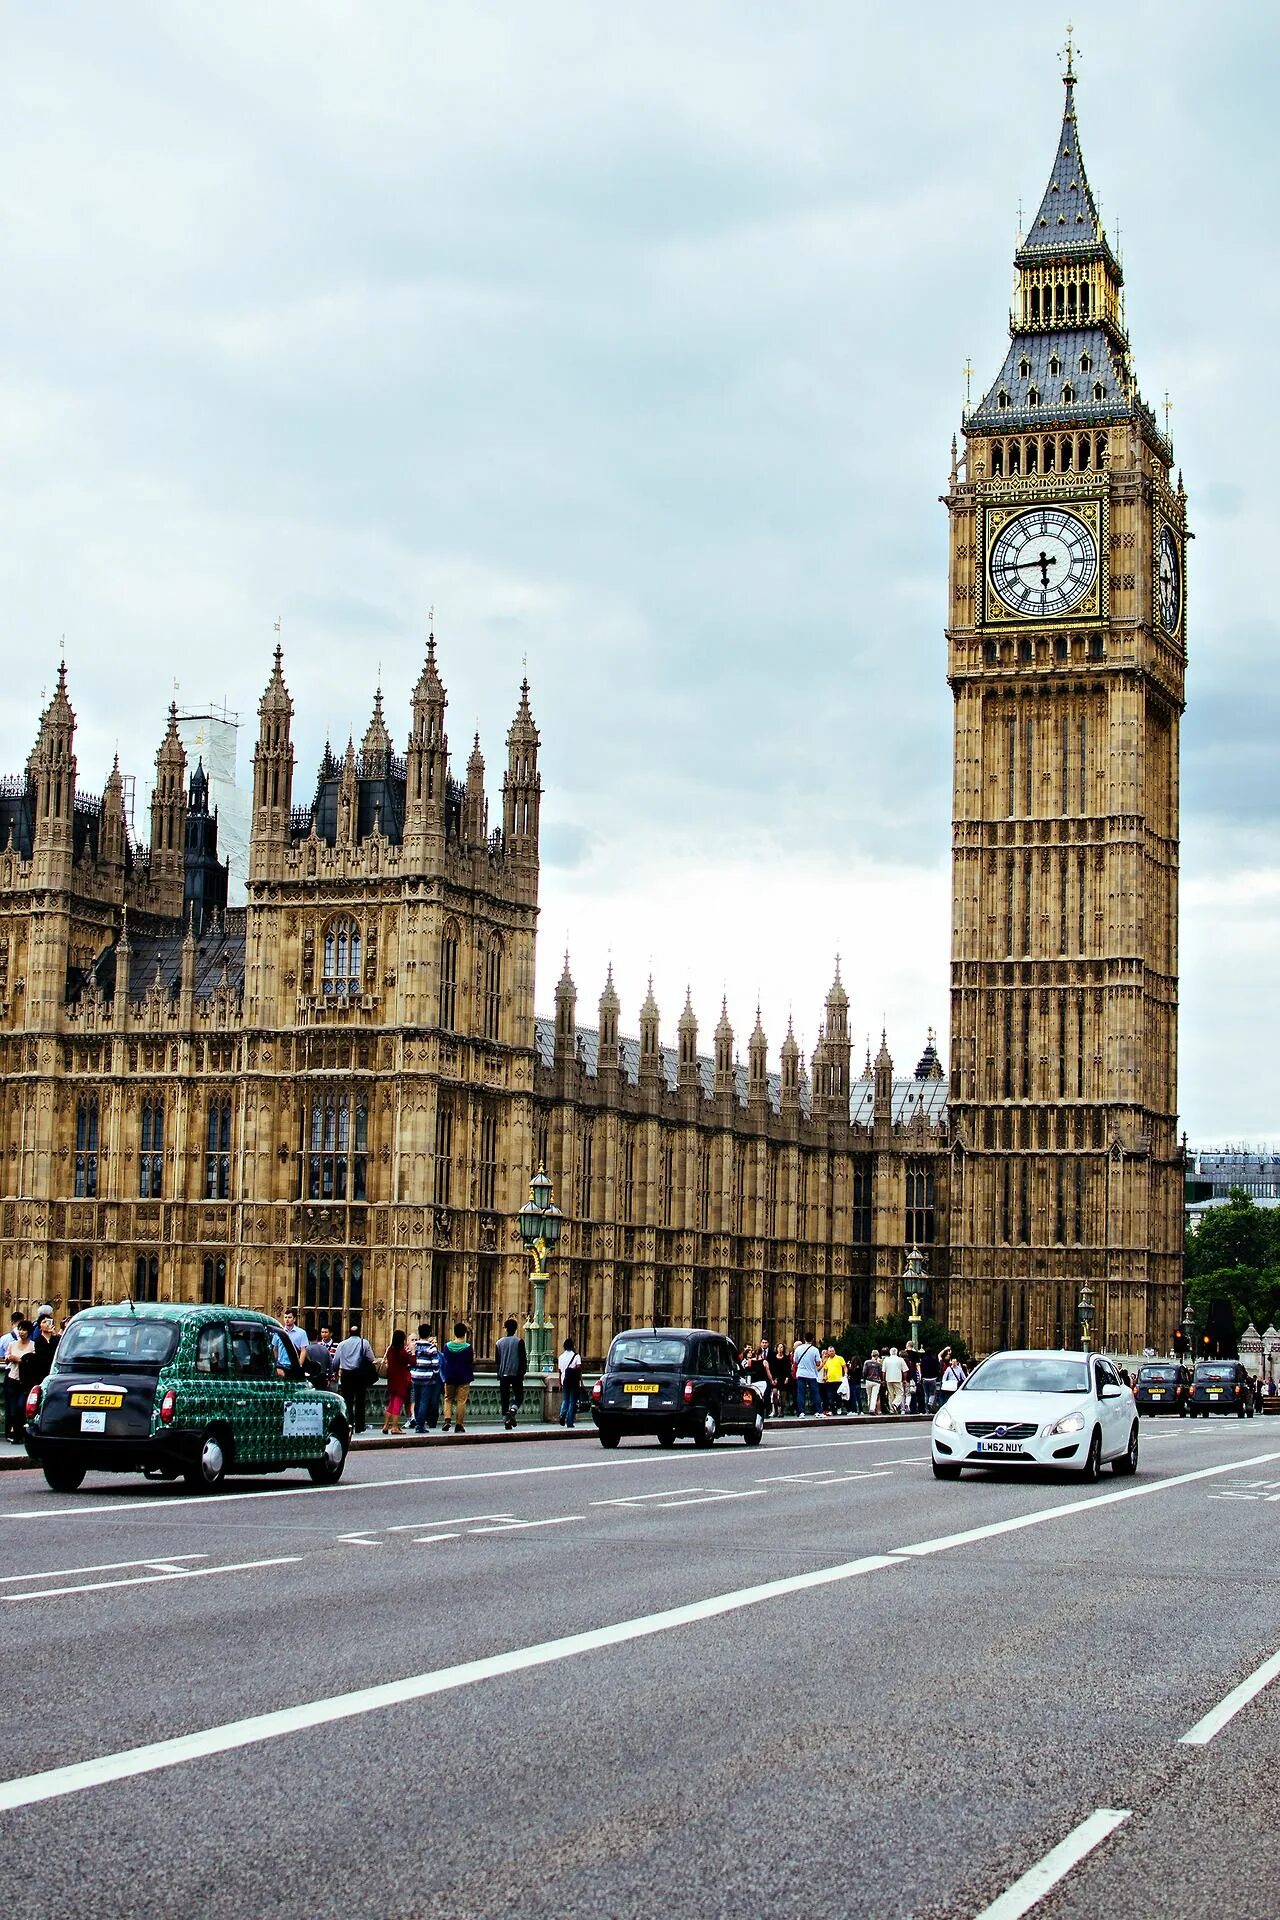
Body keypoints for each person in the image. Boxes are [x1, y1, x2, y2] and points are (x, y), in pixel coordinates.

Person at [335, 1320, 376, 1433]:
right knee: (360, 1402)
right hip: (359, 1375)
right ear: (359, 1332)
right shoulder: (364, 1343)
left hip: (346, 1375)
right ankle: (359, 1426)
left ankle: (348, 1424)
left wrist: (335, 1372)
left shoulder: (342, 1344)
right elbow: (371, 1358)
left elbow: (335, 1361)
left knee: (347, 1401)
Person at [439, 1322, 475, 1434]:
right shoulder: (468, 1348)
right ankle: (459, 1424)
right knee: (461, 1401)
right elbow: (470, 1362)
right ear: (464, 1334)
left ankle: (447, 1420)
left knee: (448, 1399)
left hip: (450, 1376)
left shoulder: (446, 1346)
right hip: (464, 1377)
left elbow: (445, 1361)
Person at [495, 1317, 528, 1431]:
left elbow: (497, 1361)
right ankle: (513, 1410)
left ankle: (506, 1421)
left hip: (503, 1374)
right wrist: (523, 1371)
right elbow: (523, 1358)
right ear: (515, 1329)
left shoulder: (498, 1343)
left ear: (505, 1329)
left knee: (504, 1399)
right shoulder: (519, 1341)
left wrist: (499, 1373)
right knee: (519, 1396)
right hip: (516, 1374)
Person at [3, 1315, 33, 1442]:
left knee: (21, 1407)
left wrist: (20, 1360)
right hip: (12, 1378)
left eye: (24, 1330)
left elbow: (33, 1362)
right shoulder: (12, 1344)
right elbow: (6, 1359)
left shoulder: (33, 1346)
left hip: (25, 1380)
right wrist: (9, 1358)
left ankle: (21, 1433)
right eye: (20, 1329)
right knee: (13, 1408)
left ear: (29, 1332)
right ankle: (14, 1434)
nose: (21, 1332)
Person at [410, 1324, 443, 1432]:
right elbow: (435, 1364)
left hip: (415, 1377)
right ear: (429, 1334)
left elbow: (410, 1362)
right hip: (427, 1378)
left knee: (417, 1401)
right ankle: (420, 1425)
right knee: (424, 1401)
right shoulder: (431, 1347)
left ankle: (416, 1423)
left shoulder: (414, 1346)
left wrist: (413, 1371)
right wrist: (435, 1372)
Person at [382, 1328, 412, 1434]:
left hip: (392, 1380)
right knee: (397, 1404)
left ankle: (385, 1426)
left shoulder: (390, 1350)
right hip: (401, 1380)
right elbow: (412, 1361)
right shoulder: (401, 1351)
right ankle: (394, 1427)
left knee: (391, 1402)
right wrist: (412, 1352)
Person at [792, 1334, 822, 1417]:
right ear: (812, 1339)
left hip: (801, 1373)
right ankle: (818, 1411)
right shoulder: (815, 1350)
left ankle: (801, 1412)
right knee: (815, 1393)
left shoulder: (798, 1349)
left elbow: (795, 1361)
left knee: (801, 1393)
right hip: (812, 1374)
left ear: (804, 1339)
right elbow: (818, 1363)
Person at [558, 1338, 583, 1428]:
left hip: (564, 1380)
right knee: (572, 1401)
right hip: (574, 1381)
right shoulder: (576, 1356)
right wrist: (581, 1382)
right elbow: (579, 1369)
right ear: (572, 1346)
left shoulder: (560, 1357)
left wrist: (560, 1383)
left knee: (566, 1399)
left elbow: (560, 1372)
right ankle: (569, 1422)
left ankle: (562, 1414)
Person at [303, 1325, 334, 1391]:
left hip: (310, 1381)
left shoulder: (306, 1350)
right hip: (323, 1380)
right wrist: (329, 1377)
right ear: (317, 1336)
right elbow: (331, 1364)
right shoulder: (325, 1349)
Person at [882, 1345, 906, 1414]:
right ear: (896, 1352)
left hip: (888, 1378)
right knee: (900, 1393)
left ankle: (892, 1410)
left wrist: (883, 1380)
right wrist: (904, 1379)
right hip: (897, 1378)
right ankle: (895, 1403)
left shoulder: (886, 1360)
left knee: (890, 1394)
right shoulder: (900, 1359)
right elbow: (905, 1371)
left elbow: (883, 1371)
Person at [771, 1342, 792, 1417]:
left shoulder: (786, 1358)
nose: (780, 1349)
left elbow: (788, 1369)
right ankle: (776, 1411)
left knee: (783, 1395)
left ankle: (781, 1411)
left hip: (784, 1377)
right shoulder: (773, 1358)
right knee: (775, 1393)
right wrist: (773, 1379)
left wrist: (787, 1378)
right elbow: (772, 1369)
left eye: (781, 1347)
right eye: (778, 1347)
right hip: (776, 1377)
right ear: (776, 1348)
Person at [861, 1349, 883, 1417]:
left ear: (871, 1355)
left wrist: (864, 1378)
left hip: (868, 1380)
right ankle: (872, 1409)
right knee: (874, 1396)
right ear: (877, 1356)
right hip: (876, 1381)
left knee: (869, 1395)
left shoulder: (867, 1362)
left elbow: (864, 1372)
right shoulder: (879, 1364)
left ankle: (869, 1407)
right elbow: (880, 1373)